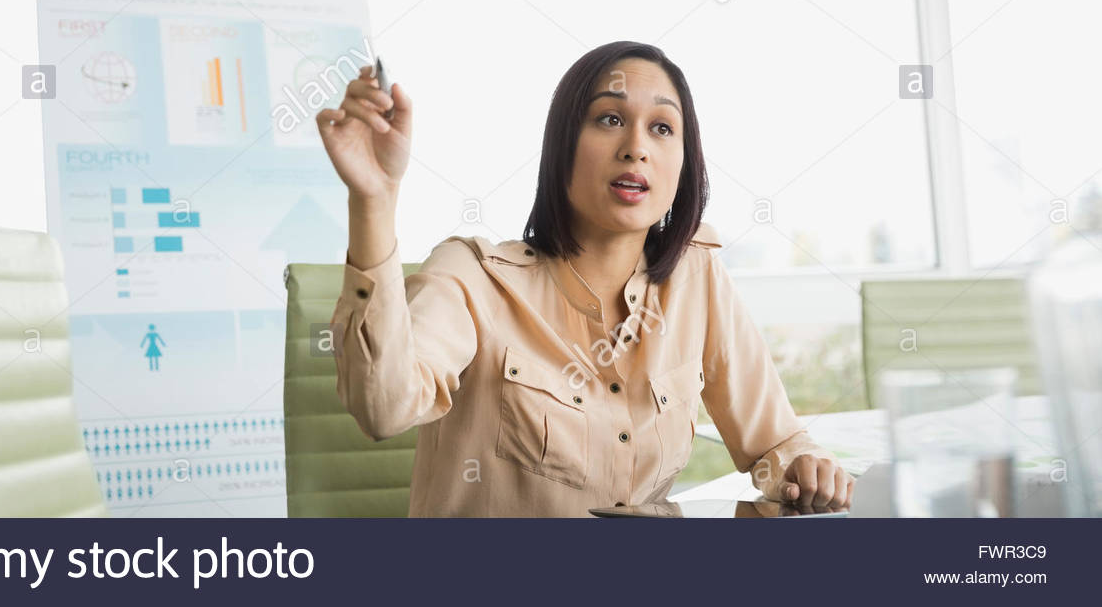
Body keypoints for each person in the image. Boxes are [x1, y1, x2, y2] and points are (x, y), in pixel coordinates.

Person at [316, 39, 852, 517]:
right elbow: (383, 409)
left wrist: (804, 466)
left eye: (662, 128)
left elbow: (774, 445)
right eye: (609, 119)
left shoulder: (697, 276)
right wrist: (374, 202)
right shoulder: (473, 278)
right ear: (562, 145)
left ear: (684, 164)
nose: (636, 147)